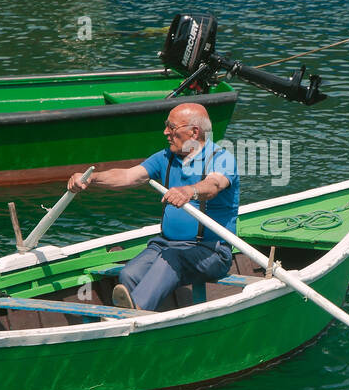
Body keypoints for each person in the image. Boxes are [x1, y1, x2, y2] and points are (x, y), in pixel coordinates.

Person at [67, 102, 238, 311]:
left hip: (210, 252)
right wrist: (91, 177)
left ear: (194, 132)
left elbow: (213, 184)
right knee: (128, 274)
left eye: (171, 127)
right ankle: (142, 317)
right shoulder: (166, 157)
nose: (166, 132)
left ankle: (134, 314)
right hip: (165, 245)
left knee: (173, 260)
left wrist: (188, 191)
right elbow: (128, 176)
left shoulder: (222, 159)